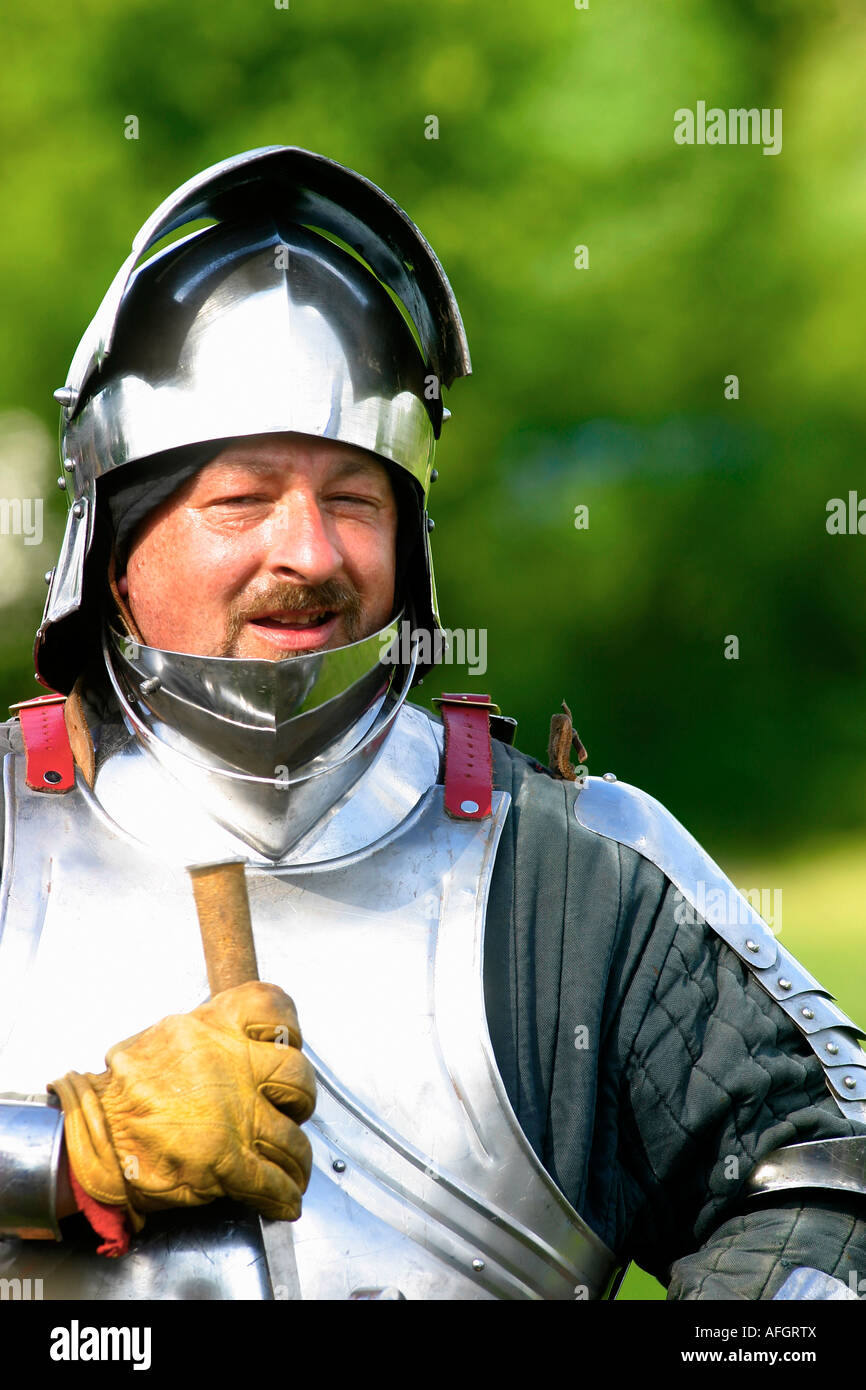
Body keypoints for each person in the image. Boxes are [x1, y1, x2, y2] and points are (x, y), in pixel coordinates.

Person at [1, 146, 864, 1302]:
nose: (309, 553)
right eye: (242, 499)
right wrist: (66, 1156)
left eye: (353, 499)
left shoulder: (571, 875)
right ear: (111, 546)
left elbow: (819, 1170)